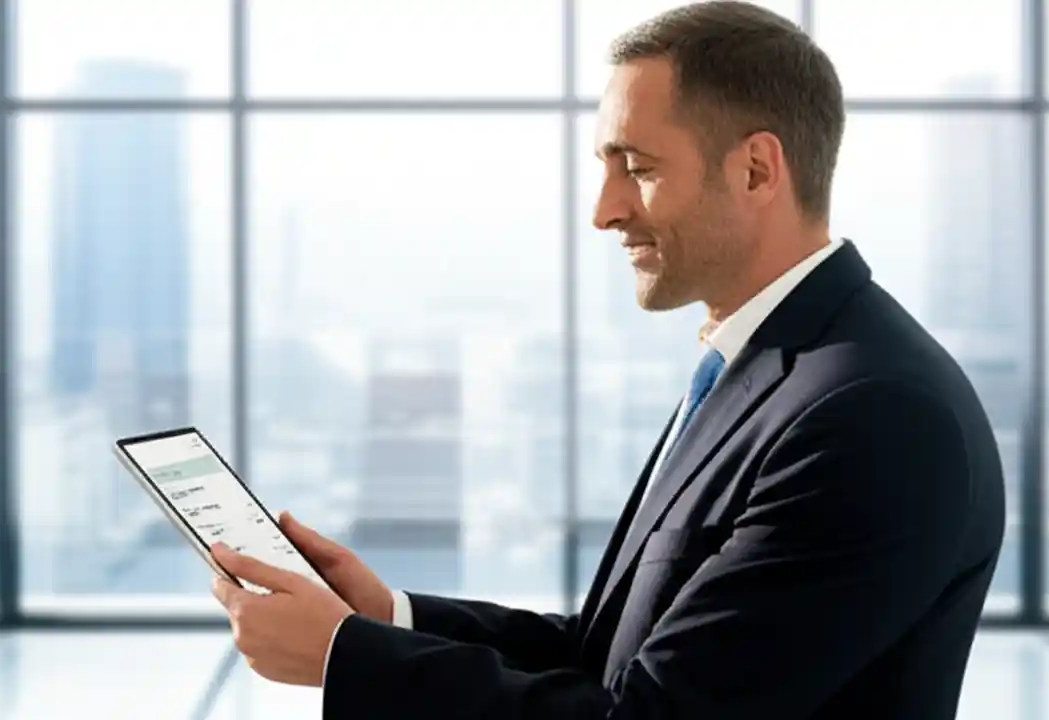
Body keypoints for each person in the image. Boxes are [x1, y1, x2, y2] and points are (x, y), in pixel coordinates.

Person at [207, 2, 1006, 717]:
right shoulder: (773, 370)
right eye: (607, 168)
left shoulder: (871, 414)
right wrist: (387, 617)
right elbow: (610, 652)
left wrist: (349, 660)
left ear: (757, 169)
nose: (605, 211)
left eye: (641, 168)